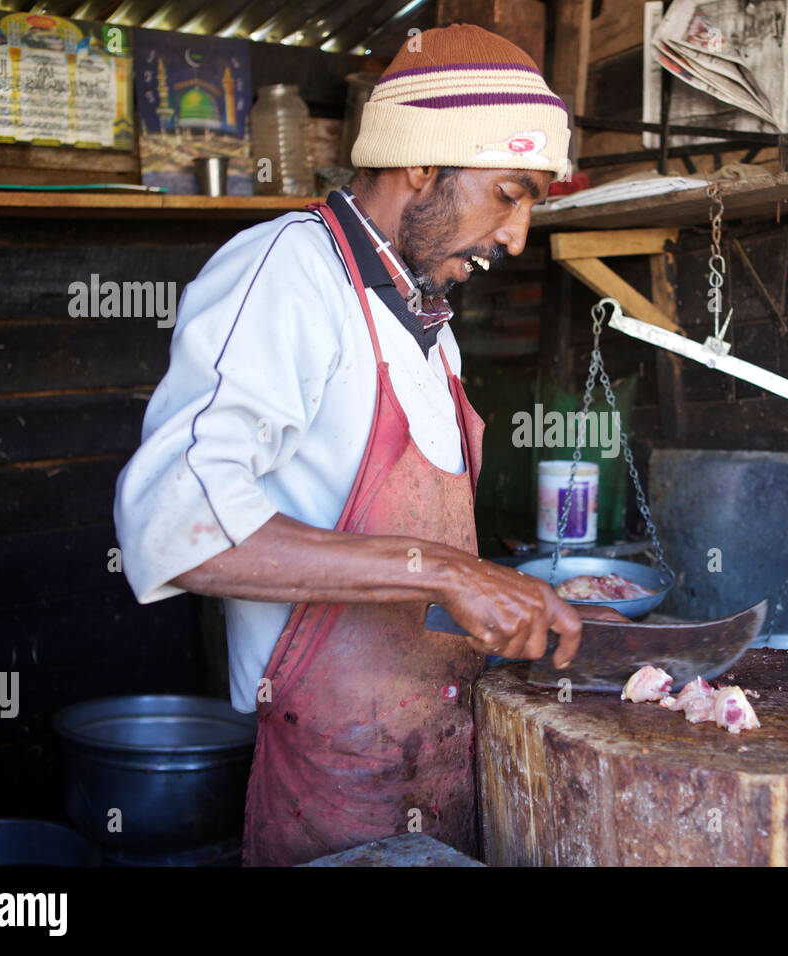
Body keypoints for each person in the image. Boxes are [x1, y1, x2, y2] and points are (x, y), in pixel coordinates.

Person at [114, 23, 612, 866]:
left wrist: (520, 599)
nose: (518, 236)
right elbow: (175, 525)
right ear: (422, 163)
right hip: (331, 789)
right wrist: (450, 571)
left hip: (443, 767)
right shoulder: (286, 274)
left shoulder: (430, 326)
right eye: (510, 192)